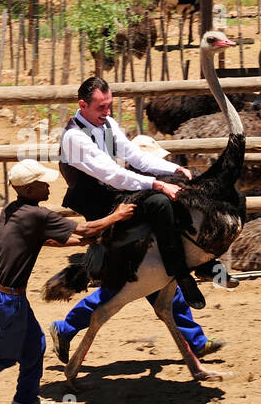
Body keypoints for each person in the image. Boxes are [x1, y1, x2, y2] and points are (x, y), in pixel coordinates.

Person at [0, 159, 134, 404]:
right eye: (42, 184)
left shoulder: (14, 209)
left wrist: (87, 240)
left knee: (35, 344)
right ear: (28, 190)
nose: (48, 186)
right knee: (3, 355)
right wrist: (117, 216)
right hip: (9, 299)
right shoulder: (37, 214)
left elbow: (47, 238)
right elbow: (84, 228)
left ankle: (25, 401)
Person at [47, 76, 225, 363]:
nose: (107, 112)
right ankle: (66, 327)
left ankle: (195, 337)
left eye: (110, 106)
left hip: (120, 201)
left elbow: (137, 158)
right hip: (103, 211)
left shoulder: (106, 124)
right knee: (138, 275)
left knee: (151, 270)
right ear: (83, 105)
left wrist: (174, 170)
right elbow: (112, 175)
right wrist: (157, 185)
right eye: (101, 107)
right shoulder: (74, 138)